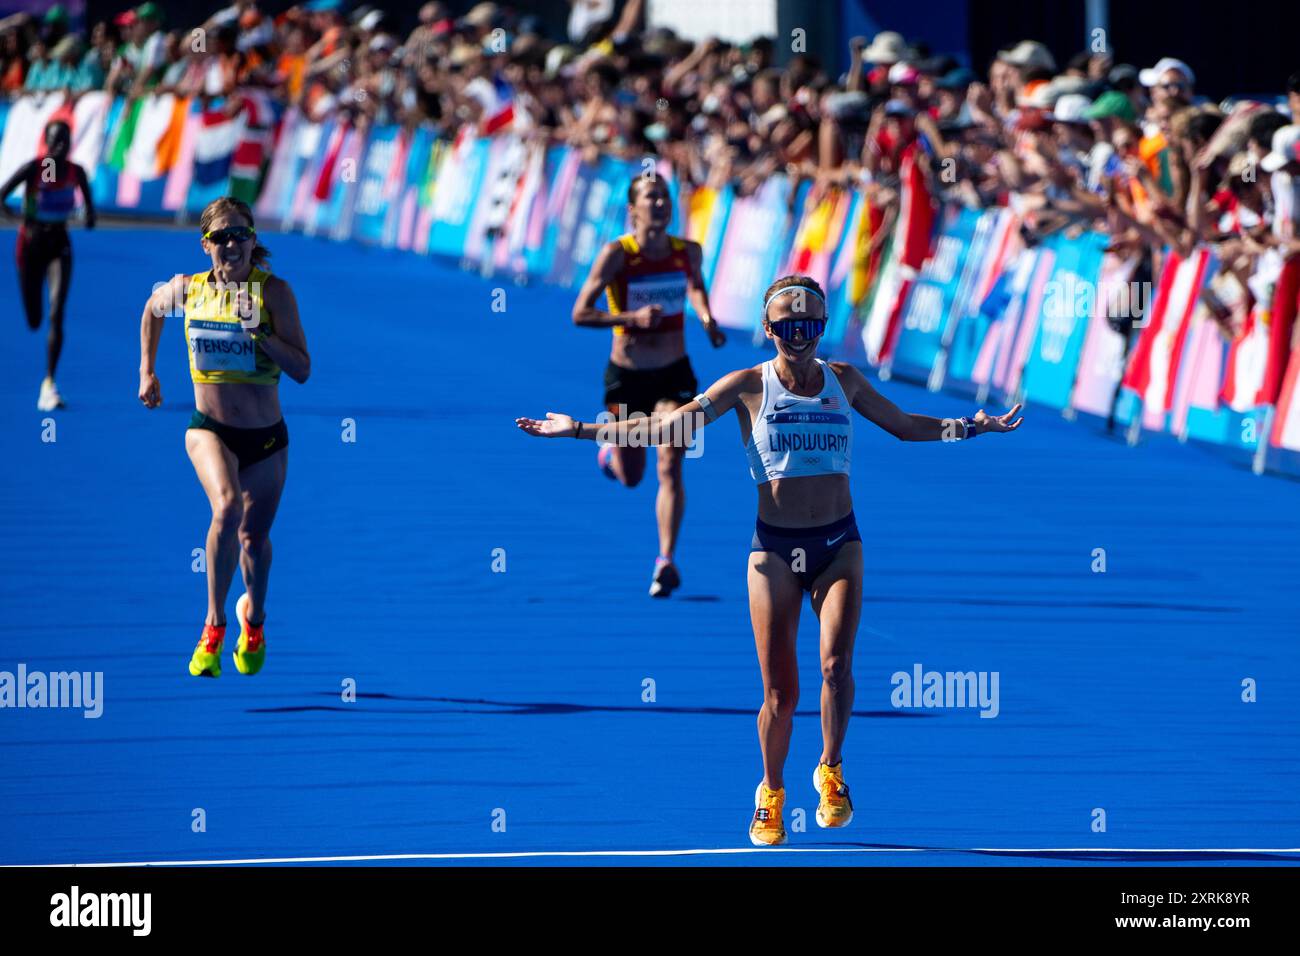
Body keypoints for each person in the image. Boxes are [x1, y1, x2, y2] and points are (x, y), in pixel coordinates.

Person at [519, 274, 1023, 844]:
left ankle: (831, 768)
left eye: (809, 327)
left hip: (840, 545)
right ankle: (771, 789)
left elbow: (906, 427)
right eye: (787, 328)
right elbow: (668, 425)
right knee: (781, 696)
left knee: (836, 668)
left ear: (822, 328)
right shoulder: (746, 386)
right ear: (769, 330)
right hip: (774, 554)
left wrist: (969, 428)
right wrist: (583, 430)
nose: (799, 338)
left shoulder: (845, 380)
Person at [137, 197, 311, 678]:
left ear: (254, 241)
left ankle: (252, 619)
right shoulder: (187, 291)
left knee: (254, 539)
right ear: (204, 245)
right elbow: (152, 310)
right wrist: (147, 371)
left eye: (240, 235)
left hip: (267, 439)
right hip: (209, 430)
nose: (231, 244)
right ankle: (213, 625)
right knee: (227, 508)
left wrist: (261, 334)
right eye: (221, 237)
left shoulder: (274, 293)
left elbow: (302, 369)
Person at [571, 174, 726, 597]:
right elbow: (580, 313)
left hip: (674, 373)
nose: (659, 204)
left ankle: (666, 560)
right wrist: (629, 320)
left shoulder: (687, 251)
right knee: (632, 476)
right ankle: (611, 457)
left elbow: (695, 287)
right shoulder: (617, 255)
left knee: (670, 461)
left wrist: (708, 320)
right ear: (632, 209)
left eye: (664, 197)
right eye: (650, 198)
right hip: (628, 377)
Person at [0, 118, 95, 411]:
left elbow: (90, 213)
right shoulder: (35, 168)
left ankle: (49, 384)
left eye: (65, 141)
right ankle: (34, 314)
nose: (60, 147)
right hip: (30, 248)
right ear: (46, 142)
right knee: (34, 319)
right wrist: (18, 219)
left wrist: (87, 217)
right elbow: (1, 195)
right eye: (55, 141)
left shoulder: (76, 172)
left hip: (59, 248)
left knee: (56, 313)